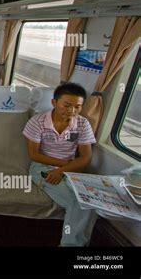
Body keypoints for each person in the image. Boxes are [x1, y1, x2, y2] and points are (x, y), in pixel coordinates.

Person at [22, 83, 97, 246]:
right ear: (54, 103)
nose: (72, 111)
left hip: (70, 170)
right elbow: (34, 155)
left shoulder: (82, 124)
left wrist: (63, 170)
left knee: (89, 201)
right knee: (79, 202)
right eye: (67, 105)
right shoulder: (38, 122)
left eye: (78, 107)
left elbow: (86, 158)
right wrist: (64, 165)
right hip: (41, 168)